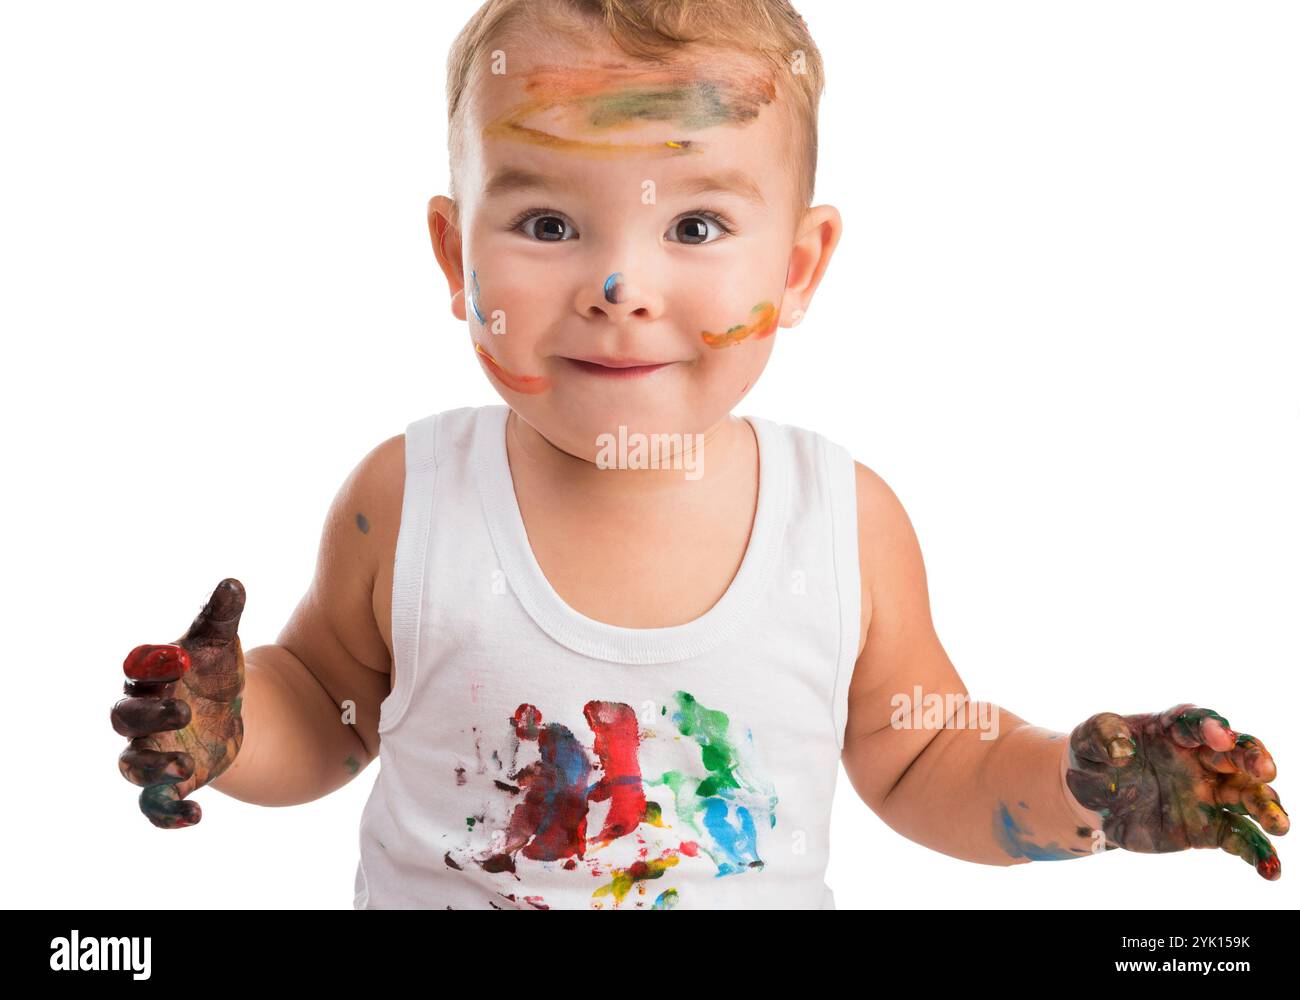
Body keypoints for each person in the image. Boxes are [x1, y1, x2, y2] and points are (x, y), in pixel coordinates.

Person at [111, 0, 1287, 909]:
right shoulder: (408, 498)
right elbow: (330, 713)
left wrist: (1083, 793)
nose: (622, 288)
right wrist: (231, 721)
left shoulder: (839, 519)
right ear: (453, 256)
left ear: (798, 266)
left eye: (696, 226)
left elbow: (925, 753)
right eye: (549, 224)